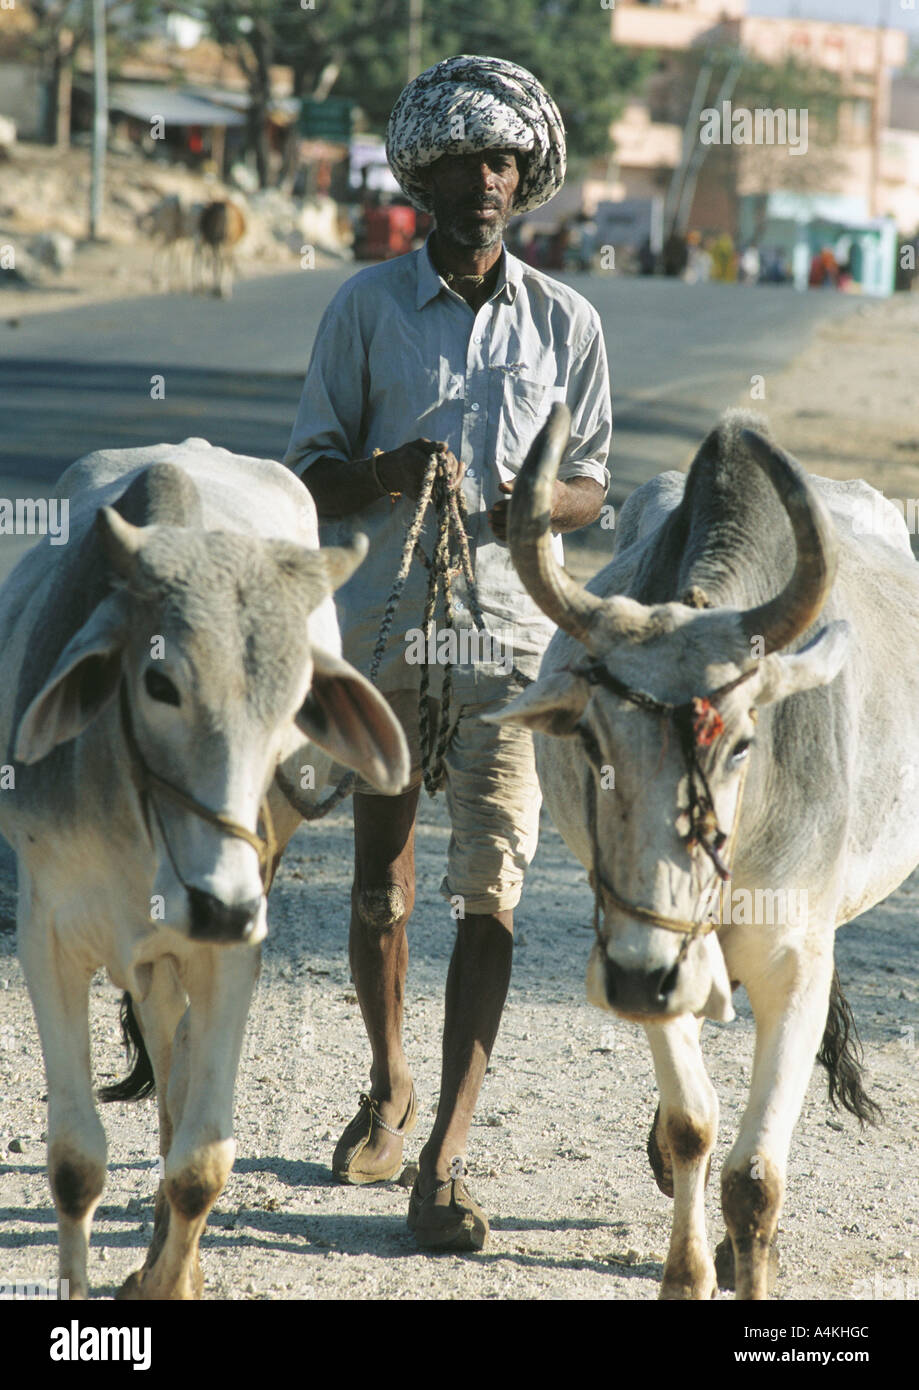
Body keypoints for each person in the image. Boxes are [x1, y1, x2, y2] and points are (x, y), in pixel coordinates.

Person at [284, 54, 612, 1252]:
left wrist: (540, 500)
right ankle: (386, 1086)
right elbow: (308, 466)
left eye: (506, 159)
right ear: (421, 176)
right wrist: (383, 471)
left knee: (495, 890)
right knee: (381, 882)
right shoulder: (363, 309)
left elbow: (596, 486)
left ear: (526, 180)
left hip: (513, 649)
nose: (488, 177)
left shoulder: (569, 322)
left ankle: (447, 1156)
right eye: (467, 159)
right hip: (382, 635)